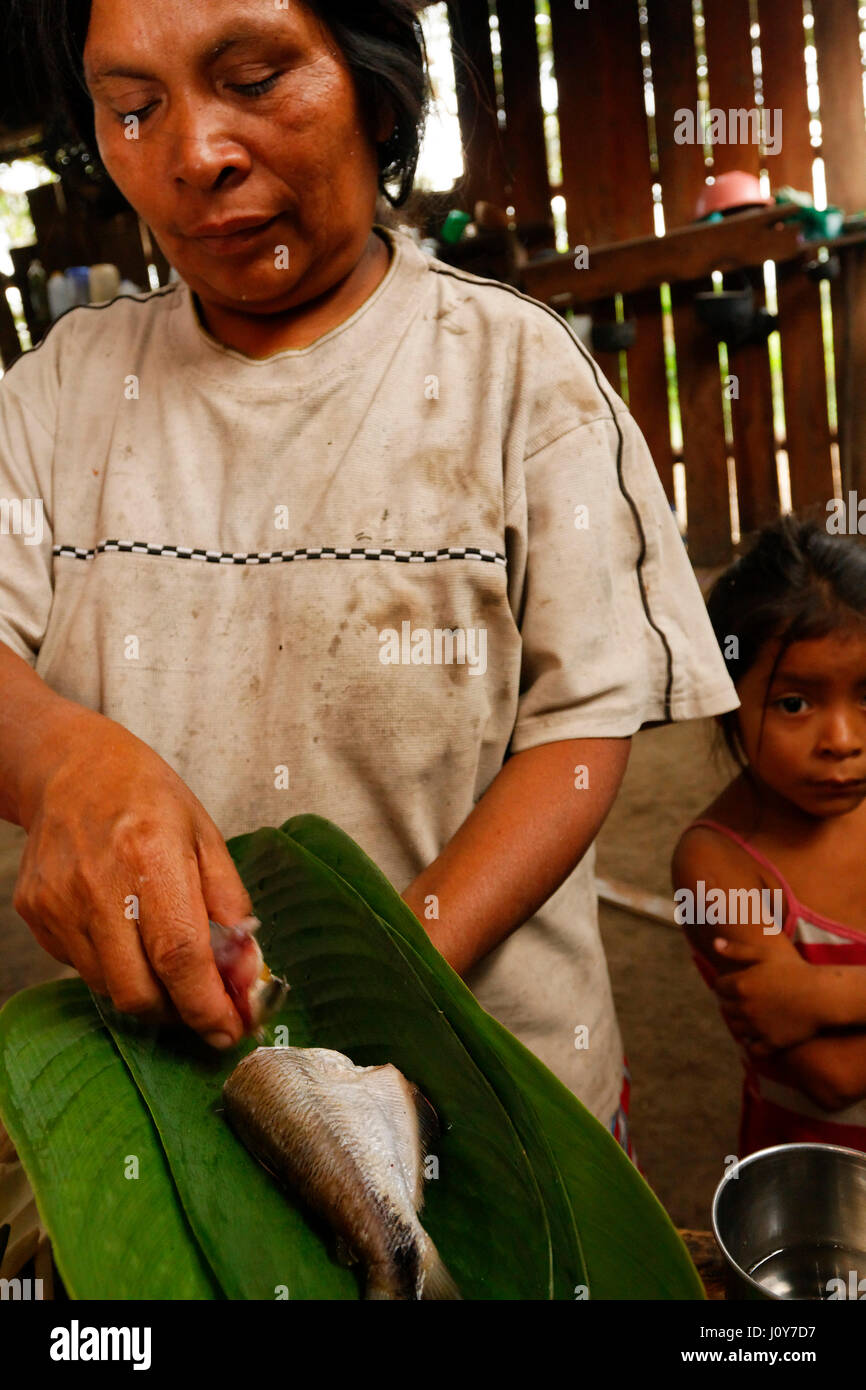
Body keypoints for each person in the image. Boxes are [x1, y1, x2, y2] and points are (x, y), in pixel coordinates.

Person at [0, 0, 736, 1152]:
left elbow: (583, 723)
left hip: (487, 1078)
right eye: (134, 110)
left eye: (251, 78)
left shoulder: (513, 374)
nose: (196, 154)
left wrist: (388, 987)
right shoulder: (61, 394)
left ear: (374, 86)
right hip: (169, 1087)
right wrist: (62, 760)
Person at [673, 515, 866, 1155]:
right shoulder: (718, 864)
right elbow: (833, 1078)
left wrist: (822, 993)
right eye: (793, 704)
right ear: (730, 700)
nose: (842, 741)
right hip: (824, 1187)